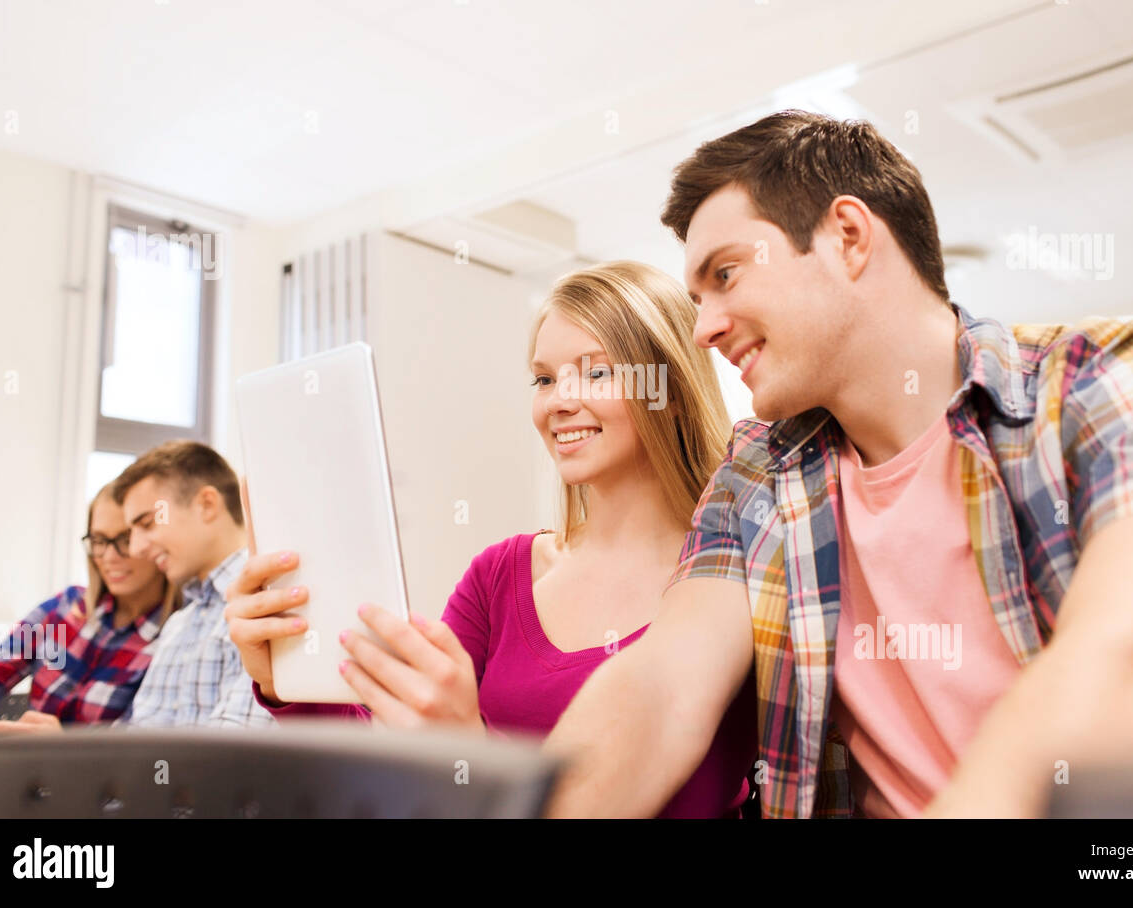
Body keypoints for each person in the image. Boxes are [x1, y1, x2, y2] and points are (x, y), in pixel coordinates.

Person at [536, 110, 1133, 818]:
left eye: (725, 275)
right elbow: (661, 688)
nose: (704, 329)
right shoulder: (760, 471)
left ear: (848, 236)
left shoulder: (1110, 379)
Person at [227, 261, 759, 817]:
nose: (558, 401)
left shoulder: (732, 578)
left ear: (668, 389)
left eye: (595, 373)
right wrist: (283, 676)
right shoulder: (502, 573)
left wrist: (473, 745)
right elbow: (398, 742)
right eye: (546, 378)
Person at [0, 441, 276, 734]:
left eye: (147, 524)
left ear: (206, 505)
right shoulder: (181, 625)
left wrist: (68, 759)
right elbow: (136, 742)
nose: (136, 548)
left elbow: (231, 761)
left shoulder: (264, 600)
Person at [0, 483, 180, 728]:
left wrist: (62, 749)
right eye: (99, 540)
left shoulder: (176, 640)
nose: (109, 557)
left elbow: (144, 751)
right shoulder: (63, 607)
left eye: (125, 539)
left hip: (93, 768)